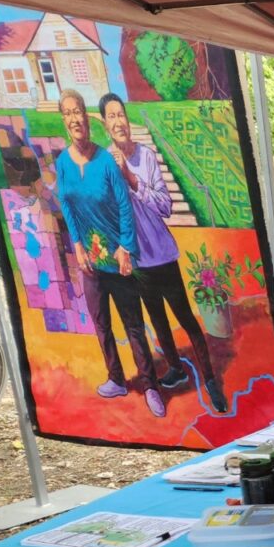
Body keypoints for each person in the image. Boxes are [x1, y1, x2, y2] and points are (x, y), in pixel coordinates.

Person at [98, 93, 227, 414]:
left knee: (185, 317)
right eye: (111, 117)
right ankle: (175, 367)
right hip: (138, 261)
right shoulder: (106, 164)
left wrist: (132, 179)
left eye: (121, 115)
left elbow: (166, 206)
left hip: (162, 255)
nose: (119, 122)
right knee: (156, 318)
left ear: (127, 119)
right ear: (105, 124)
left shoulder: (146, 157)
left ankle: (211, 381)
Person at [51, 89, 166, 417]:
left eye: (79, 113)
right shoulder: (62, 163)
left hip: (117, 259)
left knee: (133, 325)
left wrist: (125, 247)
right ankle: (115, 378)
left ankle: (150, 386)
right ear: (64, 120)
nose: (75, 119)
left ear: (87, 119)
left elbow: (124, 206)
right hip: (90, 262)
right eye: (69, 113)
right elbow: (67, 207)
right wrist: (77, 247)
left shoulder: (105, 161)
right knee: (101, 324)